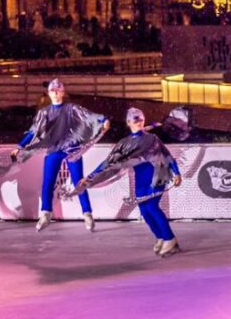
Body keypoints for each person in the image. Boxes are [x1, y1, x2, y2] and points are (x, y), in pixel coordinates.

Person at [73, 108, 184, 257]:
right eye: (136, 120)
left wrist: (176, 173)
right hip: (141, 180)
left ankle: (170, 239)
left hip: (158, 174)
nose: (139, 122)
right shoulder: (124, 143)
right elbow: (108, 162)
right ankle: (161, 237)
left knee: (151, 206)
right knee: (144, 210)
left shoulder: (152, 138)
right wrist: (90, 176)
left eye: (141, 119)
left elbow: (168, 156)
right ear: (128, 122)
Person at [4, 79, 110, 231]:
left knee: (79, 183)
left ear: (63, 92)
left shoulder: (72, 109)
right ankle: (46, 213)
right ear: (48, 93)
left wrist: (103, 120)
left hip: (72, 151)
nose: (55, 93)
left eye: (58, 90)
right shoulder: (44, 112)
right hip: (54, 151)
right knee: (47, 183)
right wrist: (20, 145)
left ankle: (87, 214)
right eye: (52, 90)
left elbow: (90, 116)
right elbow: (33, 131)